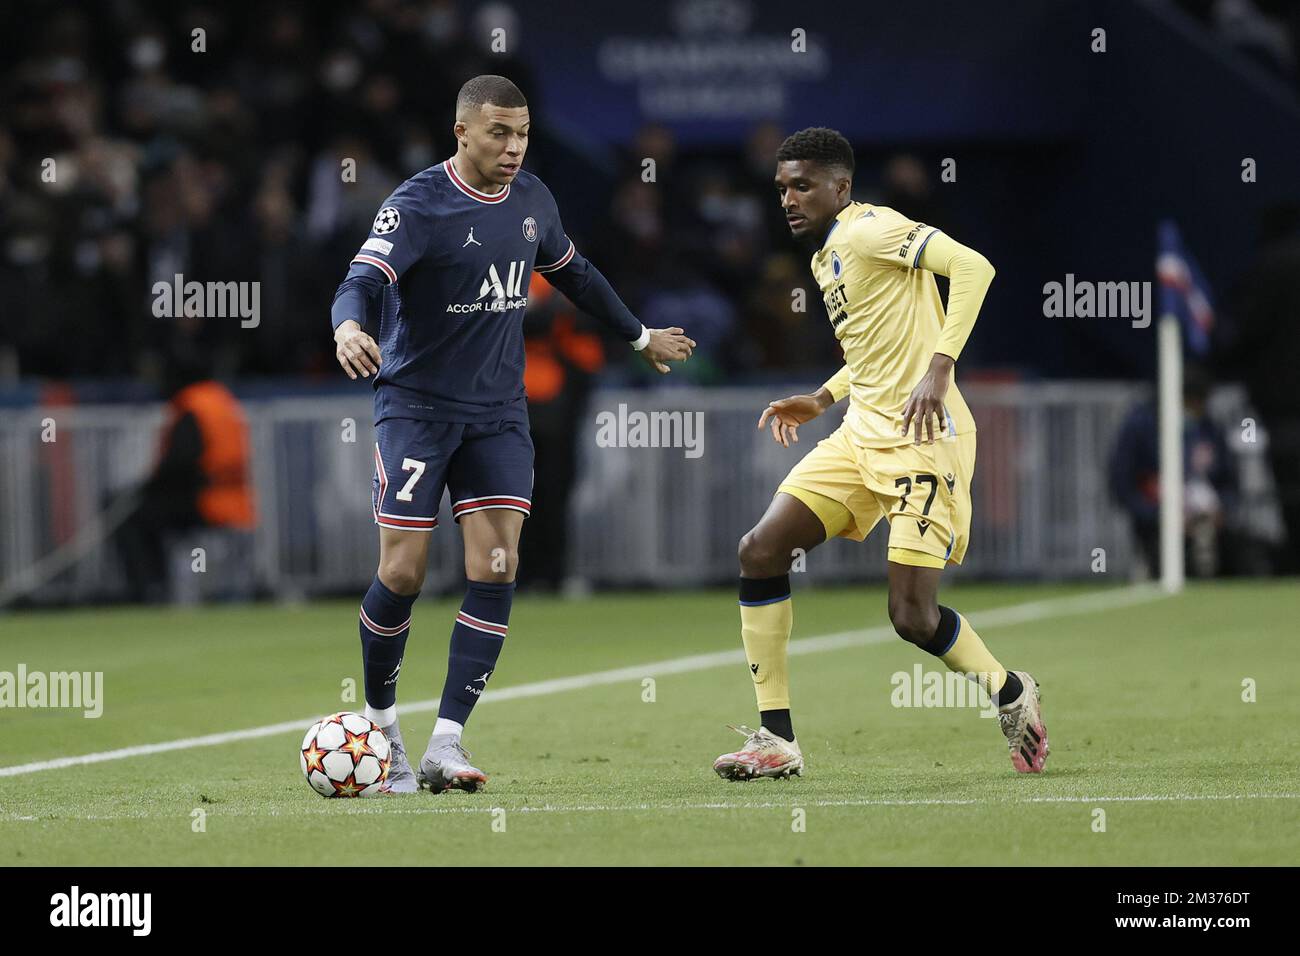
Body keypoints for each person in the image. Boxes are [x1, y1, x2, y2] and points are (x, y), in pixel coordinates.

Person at [330, 75, 693, 794]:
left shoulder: (532, 200)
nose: (513, 147)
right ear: (461, 132)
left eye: (522, 133)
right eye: (498, 133)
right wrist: (347, 327)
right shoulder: (417, 204)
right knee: (402, 574)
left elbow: (576, 274)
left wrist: (639, 335)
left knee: (496, 566)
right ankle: (381, 725)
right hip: (416, 409)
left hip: (498, 413)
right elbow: (361, 280)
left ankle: (445, 743)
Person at [713, 128, 1049, 780]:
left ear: (841, 187)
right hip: (860, 435)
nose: (788, 199)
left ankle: (1010, 691)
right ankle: (776, 739)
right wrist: (823, 397)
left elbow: (974, 267)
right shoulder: (825, 257)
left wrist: (941, 366)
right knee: (760, 550)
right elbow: (874, 352)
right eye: (782, 188)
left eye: (802, 186)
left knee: (911, 617)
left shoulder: (873, 230)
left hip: (925, 441)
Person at [114, 352, 256, 603]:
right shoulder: (222, 400)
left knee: (132, 518)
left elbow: (181, 462)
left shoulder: (192, 405)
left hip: (208, 502)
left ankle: (151, 590)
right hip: (239, 503)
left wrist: (148, 487)